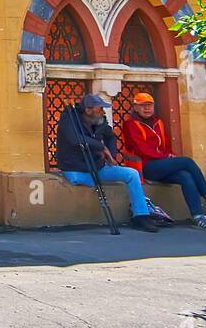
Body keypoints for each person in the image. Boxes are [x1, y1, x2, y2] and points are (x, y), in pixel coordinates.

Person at [121, 92, 206, 232]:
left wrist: (168, 155)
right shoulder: (130, 124)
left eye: (149, 105)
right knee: (186, 162)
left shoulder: (158, 123)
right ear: (135, 107)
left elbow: (166, 145)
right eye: (143, 105)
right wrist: (166, 158)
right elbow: (142, 149)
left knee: (185, 176)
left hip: (161, 164)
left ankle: (198, 216)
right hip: (145, 166)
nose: (147, 108)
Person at [56, 93, 158, 232]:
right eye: (100, 109)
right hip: (75, 167)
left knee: (132, 174)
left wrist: (111, 154)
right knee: (80, 179)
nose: (103, 111)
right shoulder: (69, 118)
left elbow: (111, 137)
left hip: (98, 166)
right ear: (88, 110)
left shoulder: (100, 120)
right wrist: (101, 147)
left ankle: (141, 216)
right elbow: (75, 139)